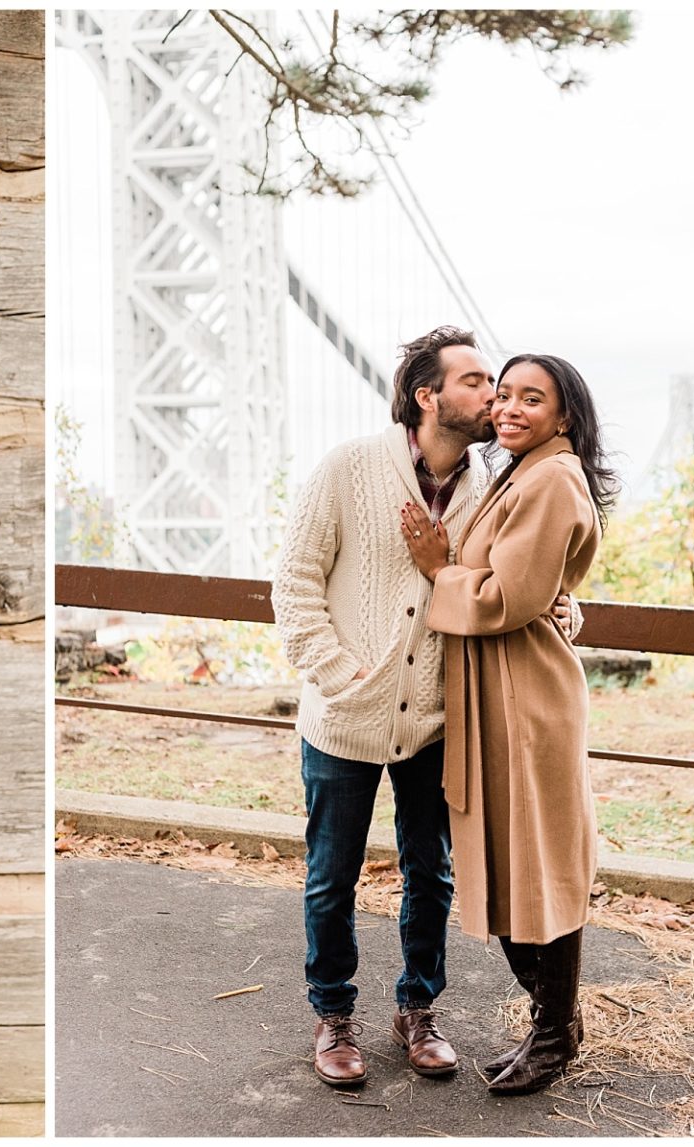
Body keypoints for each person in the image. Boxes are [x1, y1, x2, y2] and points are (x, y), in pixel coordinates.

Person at [272, 326, 579, 1089]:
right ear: (427, 395)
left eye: (506, 389)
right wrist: (340, 674)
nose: (495, 398)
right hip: (345, 716)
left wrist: (564, 609)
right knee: (330, 876)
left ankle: (419, 1007)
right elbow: (295, 585)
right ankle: (334, 1013)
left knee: (431, 874)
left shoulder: (491, 484)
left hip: (440, 719)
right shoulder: (349, 467)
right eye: (479, 383)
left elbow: (522, 573)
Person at [400, 353, 616, 1095]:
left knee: (539, 865)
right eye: (506, 395)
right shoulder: (522, 472)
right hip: (500, 692)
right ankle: (555, 1020)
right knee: (511, 863)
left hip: (528, 698)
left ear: (564, 416)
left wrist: (437, 571)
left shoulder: (552, 477)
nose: (511, 408)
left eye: (534, 398)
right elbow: (536, 583)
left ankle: (555, 1032)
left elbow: (508, 598)